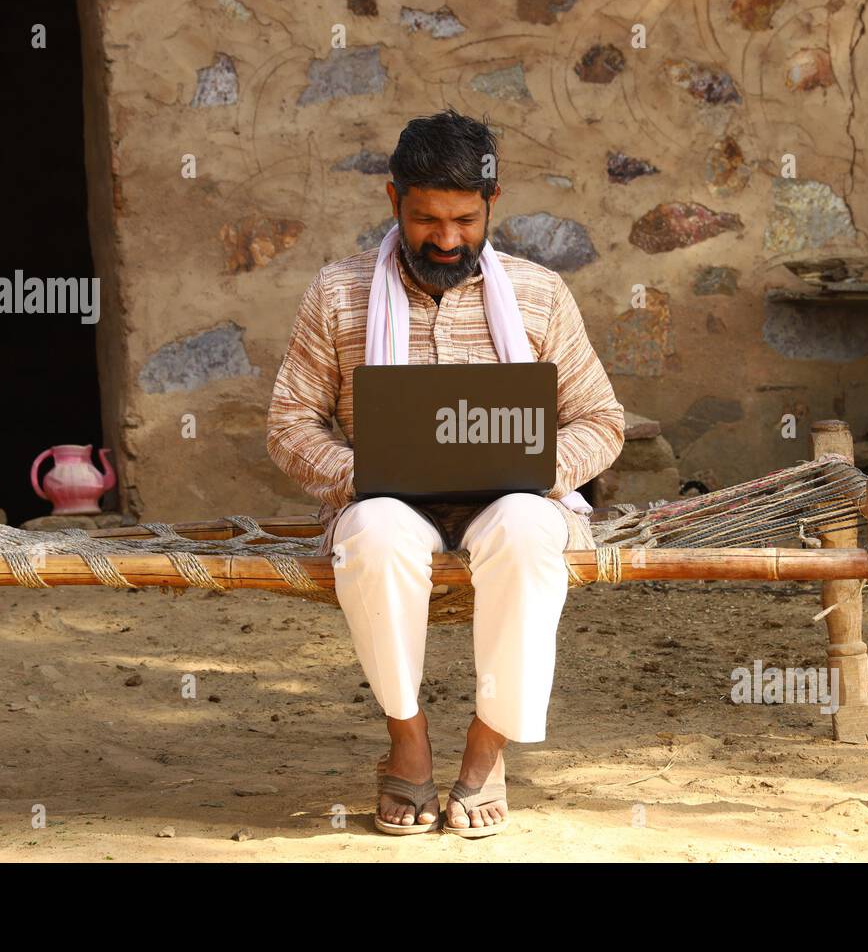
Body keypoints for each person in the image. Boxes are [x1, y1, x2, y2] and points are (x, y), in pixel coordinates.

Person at [266, 108, 624, 836]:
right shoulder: (337, 294)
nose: (448, 238)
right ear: (393, 202)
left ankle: (487, 747)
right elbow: (289, 424)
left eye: (465, 218)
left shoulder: (540, 294)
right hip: (388, 499)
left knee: (529, 531)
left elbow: (602, 421)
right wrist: (357, 472)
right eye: (427, 218)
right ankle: (408, 737)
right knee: (369, 533)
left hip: (511, 498)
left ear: (493, 204)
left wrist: (539, 465)